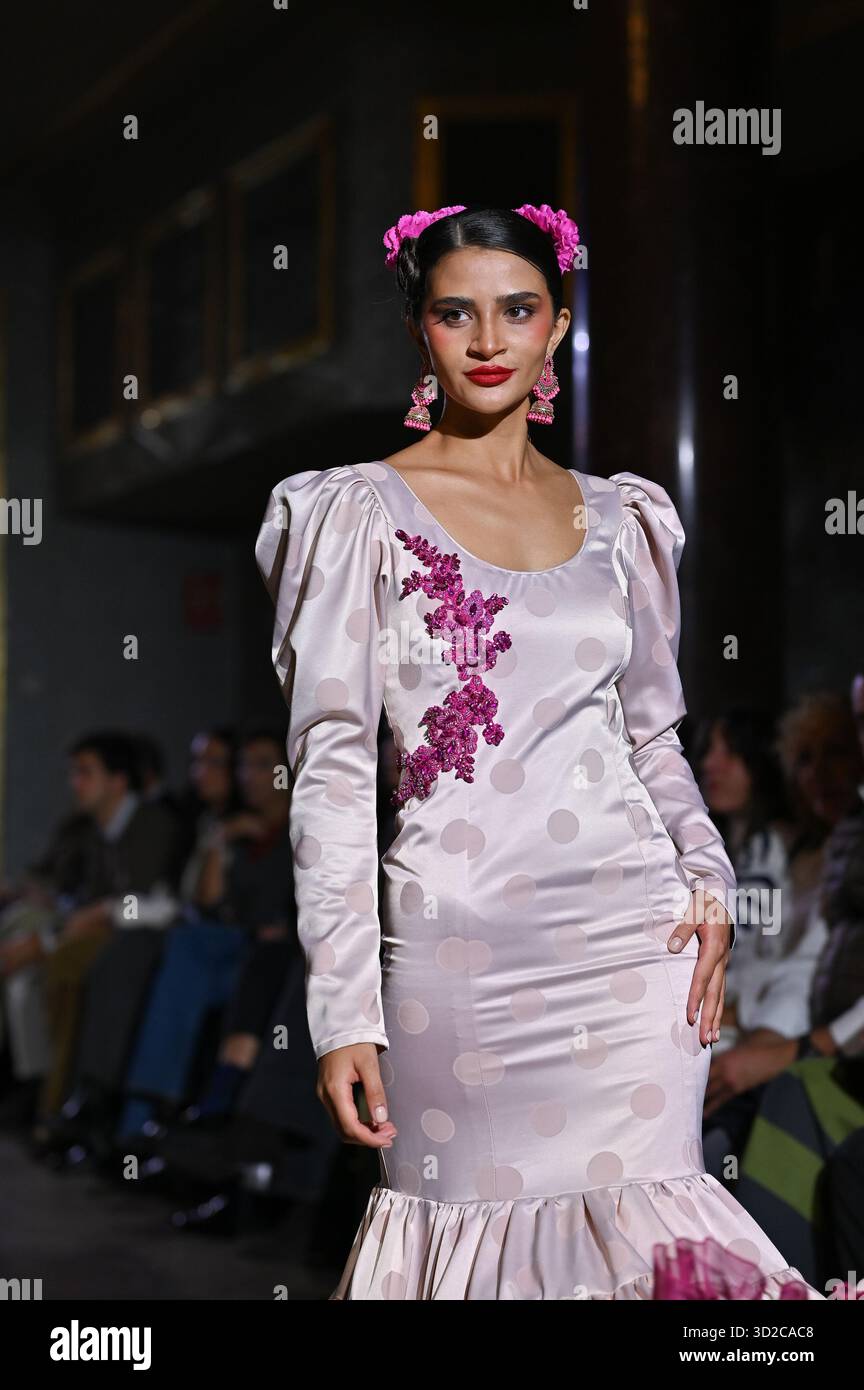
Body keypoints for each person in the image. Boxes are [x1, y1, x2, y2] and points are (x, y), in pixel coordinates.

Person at [255, 203, 823, 1300]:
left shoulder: (622, 521)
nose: (487, 339)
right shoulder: (355, 512)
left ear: (557, 327)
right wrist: (343, 1010)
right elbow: (329, 772)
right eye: (454, 312)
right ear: (419, 333)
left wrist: (708, 878)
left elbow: (656, 733)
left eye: (517, 310)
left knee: (652, 1242)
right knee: (464, 1238)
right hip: (457, 946)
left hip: (632, 951)